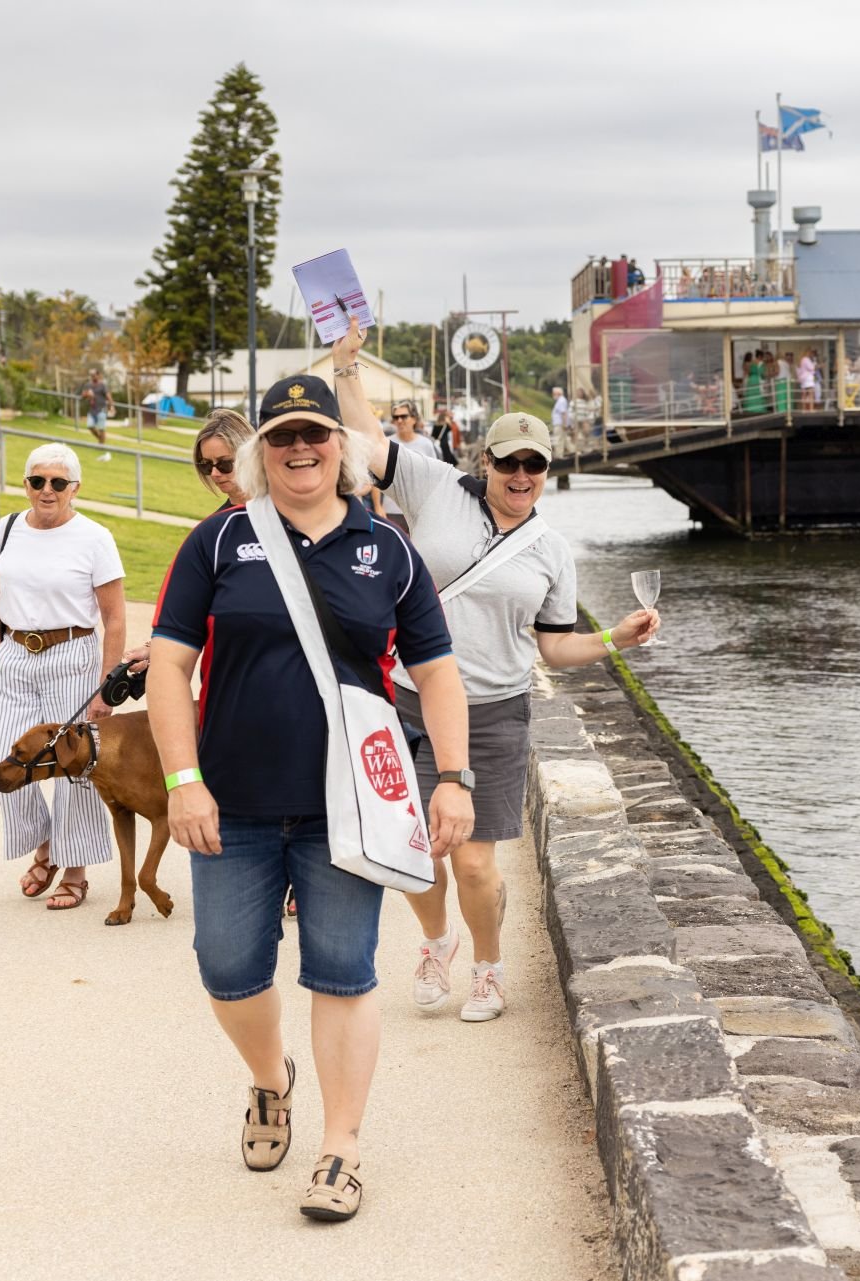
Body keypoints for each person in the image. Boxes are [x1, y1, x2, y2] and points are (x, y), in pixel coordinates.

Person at [147, 374, 473, 1222]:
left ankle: (342, 1148)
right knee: (226, 968)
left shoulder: (388, 548)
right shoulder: (218, 542)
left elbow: (437, 671)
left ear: (343, 445)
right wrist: (184, 781)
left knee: (343, 970)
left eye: (316, 434)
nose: (301, 448)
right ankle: (269, 1078)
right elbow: (170, 666)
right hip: (235, 803)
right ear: (262, 449)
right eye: (283, 435)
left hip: (352, 808)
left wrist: (454, 777)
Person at [330, 318, 659, 1023]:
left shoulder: (550, 551)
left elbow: (553, 647)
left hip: (495, 710)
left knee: (474, 861)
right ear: (484, 461)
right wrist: (346, 369)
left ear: (547, 471)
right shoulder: (432, 486)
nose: (520, 477)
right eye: (508, 463)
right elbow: (365, 442)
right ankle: (435, 938)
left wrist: (615, 640)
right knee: (416, 849)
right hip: (414, 699)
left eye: (533, 466)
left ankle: (487, 965)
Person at [0, 442, 128, 911]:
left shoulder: (95, 538)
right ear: (25, 484)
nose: (47, 490)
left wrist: (106, 684)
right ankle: (46, 844)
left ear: (74, 488)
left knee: (73, 767)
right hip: (16, 656)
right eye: (37, 481)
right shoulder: (6, 530)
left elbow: (115, 616)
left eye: (58, 483)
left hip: (73, 656)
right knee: (3, 763)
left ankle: (74, 868)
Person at [377, 400, 441, 532]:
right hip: (392, 510)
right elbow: (377, 477)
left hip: (419, 510)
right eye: (396, 417)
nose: (399, 420)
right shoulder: (386, 444)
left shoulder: (426, 445)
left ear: (414, 418)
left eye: (404, 416)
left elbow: (434, 478)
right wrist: (378, 506)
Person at [193, 407, 253, 509]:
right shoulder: (216, 523)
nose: (214, 474)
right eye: (206, 465)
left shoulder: (284, 509)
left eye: (224, 464)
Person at [80, 371, 111, 456]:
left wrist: (111, 406)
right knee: (90, 426)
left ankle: (101, 445)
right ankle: (101, 440)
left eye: (94, 375)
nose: (93, 377)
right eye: (91, 375)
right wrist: (87, 394)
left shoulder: (102, 385)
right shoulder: (88, 385)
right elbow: (82, 396)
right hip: (92, 410)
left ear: (98, 375)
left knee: (101, 428)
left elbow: (108, 396)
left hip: (102, 409)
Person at [549, 385, 571, 452]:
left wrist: (564, 424)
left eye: (554, 393)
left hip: (559, 424)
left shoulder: (561, 401)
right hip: (560, 423)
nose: (553, 395)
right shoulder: (561, 400)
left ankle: (559, 455)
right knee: (564, 439)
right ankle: (574, 451)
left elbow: (563, 413)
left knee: (558, 439)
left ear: (558, 393)